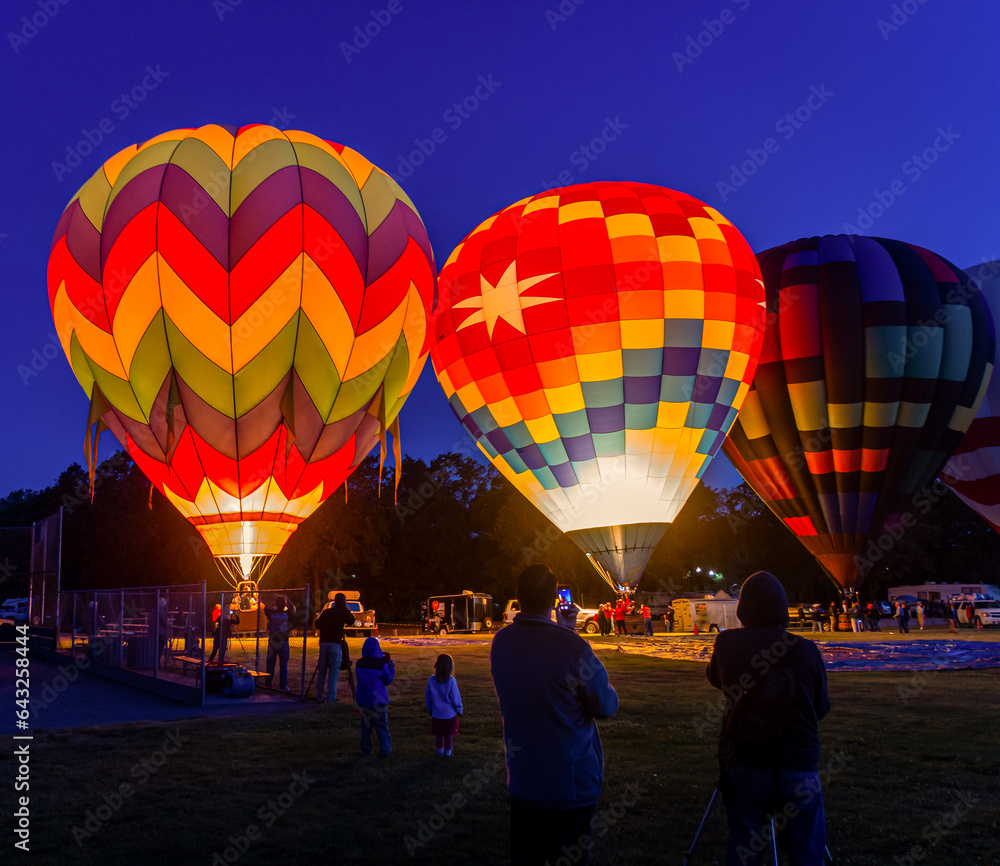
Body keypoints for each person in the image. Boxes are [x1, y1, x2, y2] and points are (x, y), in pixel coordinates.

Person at [491, 564, 619, 866]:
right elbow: (606, 705)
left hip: (525, 782)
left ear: (518, 596)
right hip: (569, 786)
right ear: (555, 598)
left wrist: (563, 634)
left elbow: (539, 671)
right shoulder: (573, 648)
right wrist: (567, 635)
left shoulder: (502, 643)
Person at [708, 571, 830, 866]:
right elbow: (821, 706)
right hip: (798, 762)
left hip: (745, 761)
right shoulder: (805, 649)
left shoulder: (727, 644)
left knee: (744, 850)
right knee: (806, 852)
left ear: (743, 609)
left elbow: (715, 678)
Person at [356, 636, 395, 757]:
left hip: (364, 700)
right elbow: (387, 680)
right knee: (382, 727)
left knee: (366, 727)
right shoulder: (381, 665)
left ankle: (365, 749)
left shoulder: (359, 663)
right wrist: (391, 668)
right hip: (378, 701)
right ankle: (385, 750)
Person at [315, 592, 354, 703]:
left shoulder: (327, 612)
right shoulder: (343, 612)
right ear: (344, 602)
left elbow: (317, 624)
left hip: (323, 643)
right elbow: (351, 621)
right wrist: (346, 609)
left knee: (322, 671)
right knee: (333, 672)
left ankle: (319, 696)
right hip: (335, 644)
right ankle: (331, 698)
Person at [425, 653, 463, 756]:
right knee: (448, 735)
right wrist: (459, 709)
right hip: (449, 714)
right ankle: (448, 753)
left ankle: (439, 752)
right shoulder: (451, 681)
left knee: (439, 734)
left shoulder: (432, 680)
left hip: (436, 713)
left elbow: (428, 696)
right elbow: (455, 698)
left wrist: (430, 708)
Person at [265, 594, 297, 690]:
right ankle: (283, 685)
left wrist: (271, 599)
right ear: (284, 605)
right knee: (283, 665)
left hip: (273, 641)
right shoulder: (287, 614)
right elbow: (294, 608)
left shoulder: (272, 614)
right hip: (283, 641)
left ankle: (268, 683)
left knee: (270, 663)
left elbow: (265, 608)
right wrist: (288, 599)